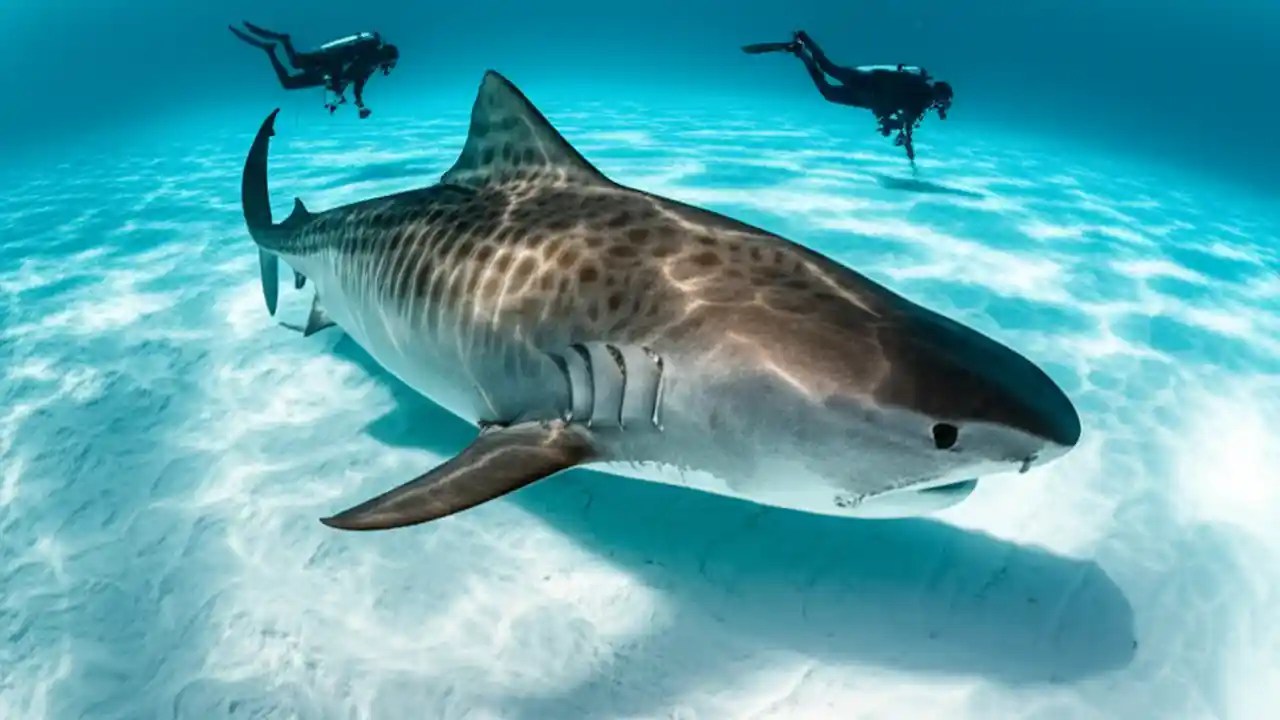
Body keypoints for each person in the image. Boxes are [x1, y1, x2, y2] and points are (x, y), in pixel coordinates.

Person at [745, 30, 953, 168]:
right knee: (828, 82)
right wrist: (908, 150)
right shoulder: (922, 99)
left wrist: (896, 128)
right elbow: (906, 121)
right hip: (869, 88)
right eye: (942, 103)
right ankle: (802, 49)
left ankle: (802, 45)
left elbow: (902, 118)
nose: (939, 107)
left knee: (828, 71)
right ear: (939, 96)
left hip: (869, 82)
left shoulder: (920, 87)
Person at [229, 21, 399, 119]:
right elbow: (353, 82)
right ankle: (271, 49)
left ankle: (281, 42)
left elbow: (355, 83)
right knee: (288, 82)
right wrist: (337, 98)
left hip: (326, 59)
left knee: (294, 63)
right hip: (327, 71)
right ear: (386, 57)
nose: (388, 67)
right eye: (390, 63)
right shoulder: (369, 61)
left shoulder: (369, 61)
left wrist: (352, 104)